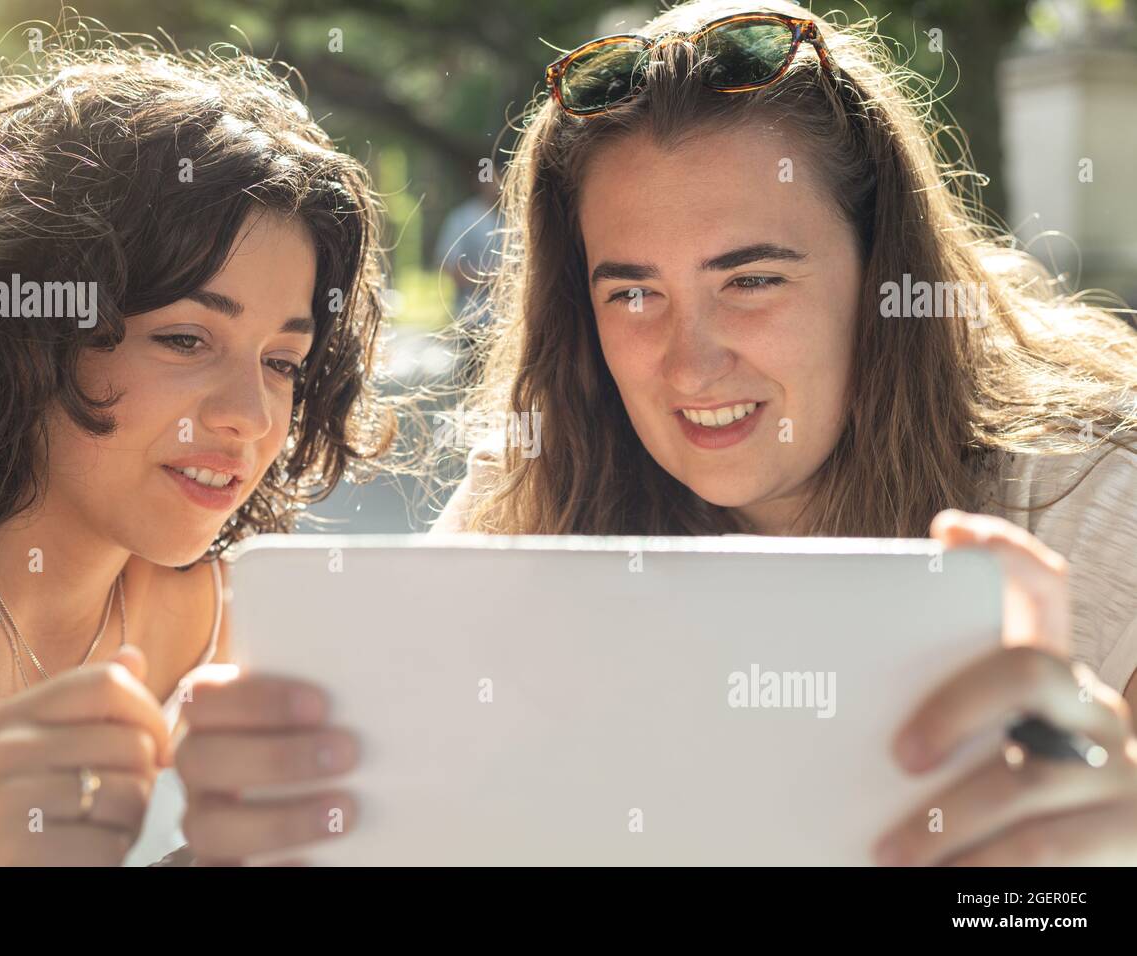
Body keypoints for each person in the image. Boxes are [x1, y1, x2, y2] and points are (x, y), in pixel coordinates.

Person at [432, 0, 1137, 864]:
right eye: (633, 293)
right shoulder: (535, 489)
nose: (690, 367)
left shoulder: (1095, 517)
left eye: (752, 280)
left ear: (884, 270)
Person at [0, 34, 382, 865]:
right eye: (186, 339)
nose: (249, 417)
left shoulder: (225, 624)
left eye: (281, 363)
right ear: (30, 332)